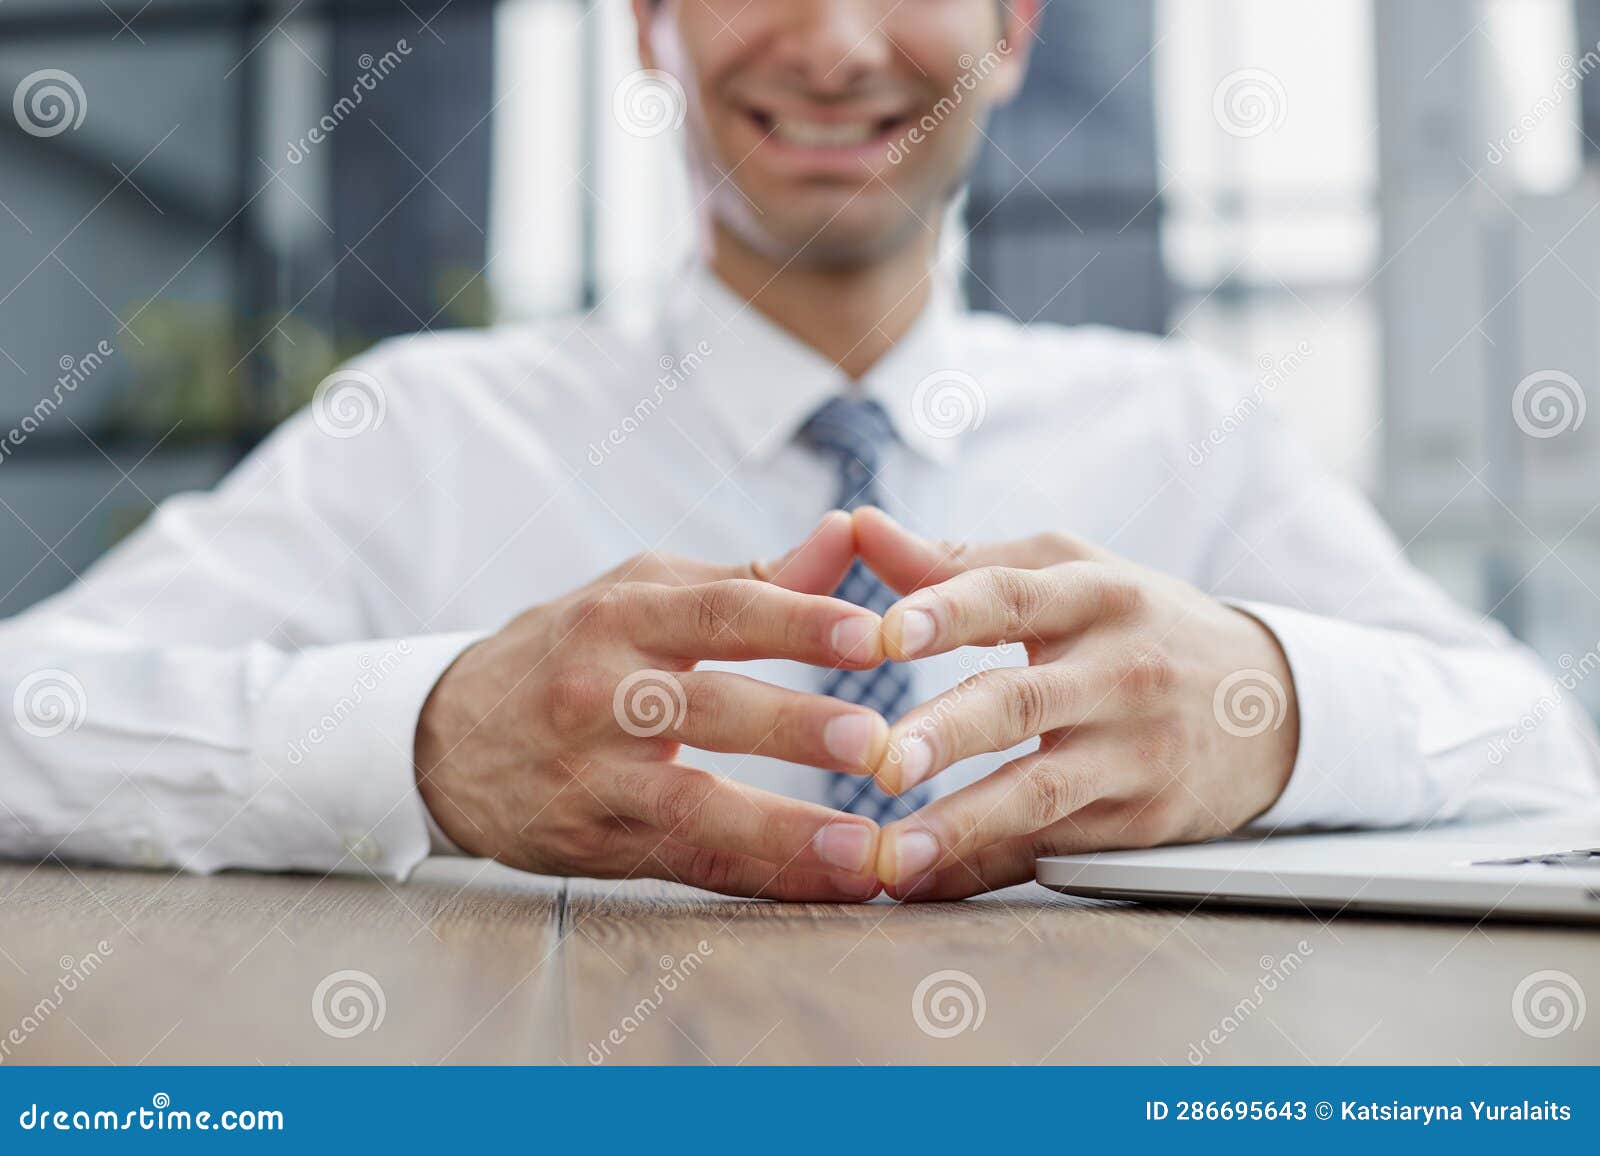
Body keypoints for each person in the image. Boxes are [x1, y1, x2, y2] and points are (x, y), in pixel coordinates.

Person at [2, 0, 1595, 903]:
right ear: (649, 26)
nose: (836, 46)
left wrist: (1276, 709)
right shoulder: (417, 430)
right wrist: (420, 741)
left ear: (1015, 30)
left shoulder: (1194, 435)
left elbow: (1542, 749)